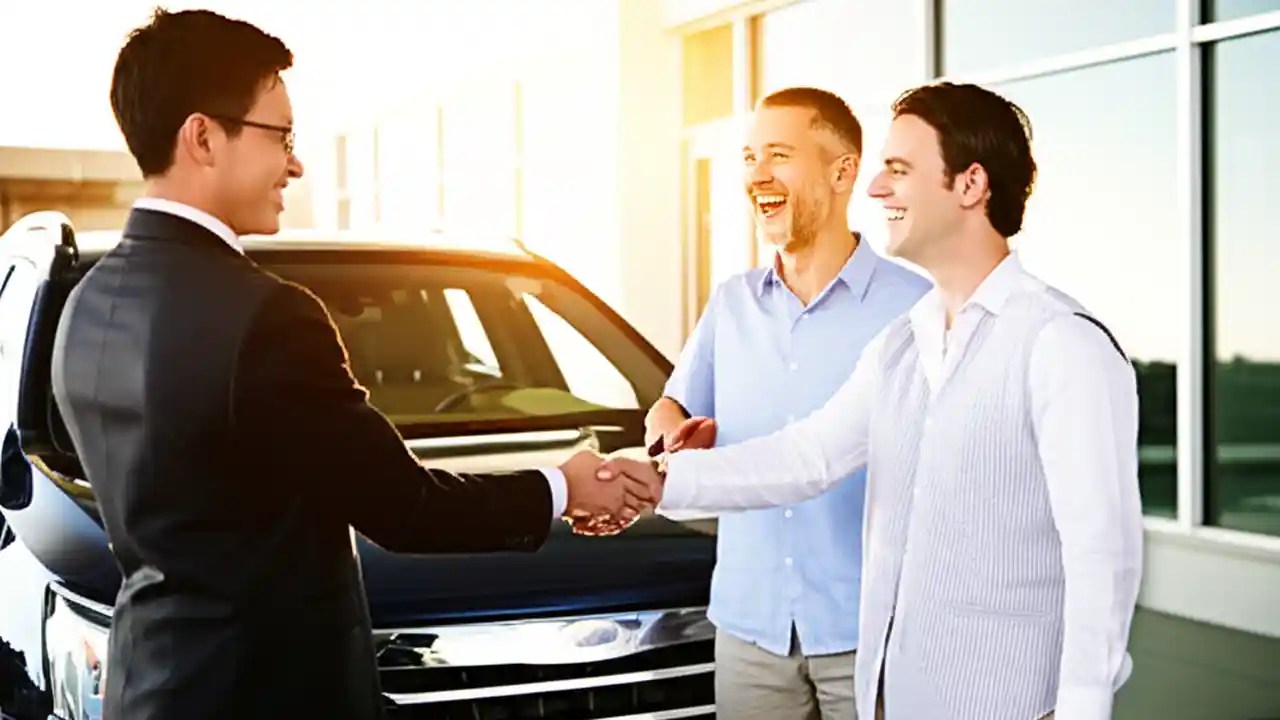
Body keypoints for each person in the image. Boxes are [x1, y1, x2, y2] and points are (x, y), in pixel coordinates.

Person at [49, 10, 649, 720]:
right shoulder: (265, 316)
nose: (296, 164)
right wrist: (562, 485)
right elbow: (404, 507)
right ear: (203, 137)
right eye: (282, 136)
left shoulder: (86, 304)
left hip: (150, 691)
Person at [599, 82, 1144, 720]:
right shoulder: (903, 343)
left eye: (900, 170)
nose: (878, 188)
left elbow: (1101, 558)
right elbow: (807, 457)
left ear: (970, 185)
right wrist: (654, 479)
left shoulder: (1060, 343)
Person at [645, 87, 929, 720]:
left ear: (843, 171)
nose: (757, 175)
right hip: (750, 629)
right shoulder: (731, 303)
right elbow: (668, 407)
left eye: (778, 155)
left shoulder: (915, 308)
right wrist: (672, 437)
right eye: (749, 157)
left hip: (874, 633)